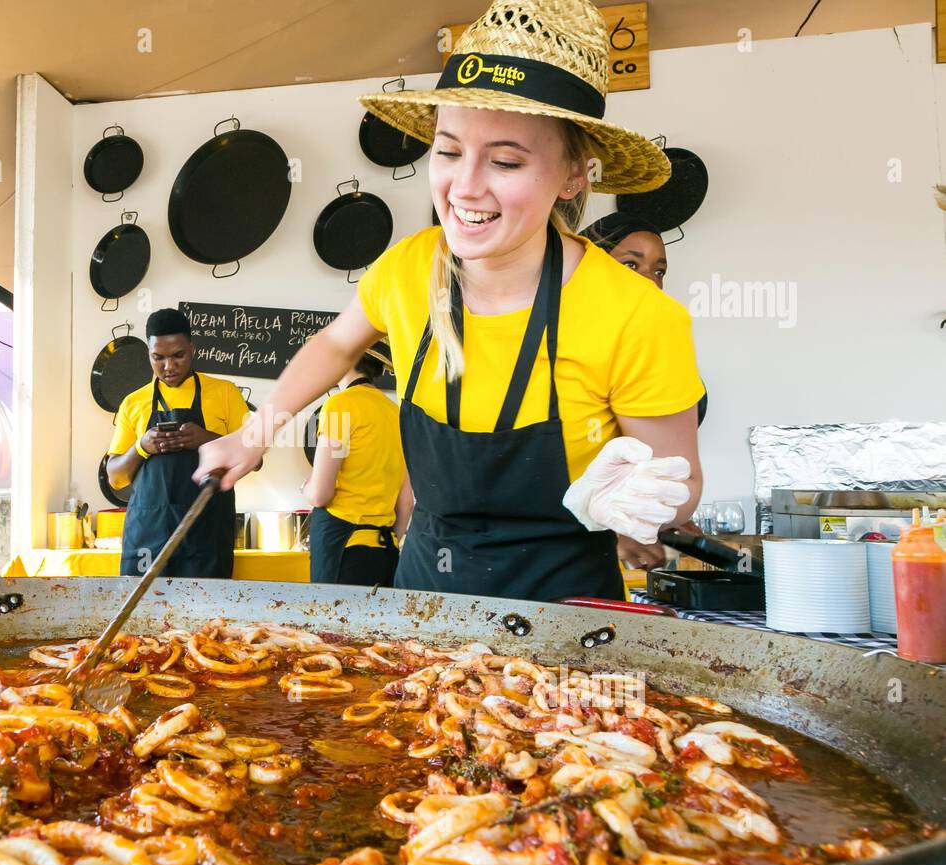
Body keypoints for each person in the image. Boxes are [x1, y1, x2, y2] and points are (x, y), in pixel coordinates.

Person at [197, 0, 703, 602]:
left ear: (573, 177)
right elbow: (336, 343)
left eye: (506, 160)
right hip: (428, 606)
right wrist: (257, 432)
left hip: (567, 615)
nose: (464, 188)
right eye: (448, 150)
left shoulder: (636, 316)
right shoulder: (411, 267)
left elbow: (681, 481)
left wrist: (635, 501)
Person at [583, 211, 709, 571]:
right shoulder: (561, 352)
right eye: (630, 266)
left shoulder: (659, 344)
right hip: (584, 549)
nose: (650, 283)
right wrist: (624, 526)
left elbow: (670, 467)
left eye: (659, 271)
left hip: (637, 556)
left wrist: (666, 517)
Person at [106, 307, 249, 578]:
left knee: (205, 618)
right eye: (158, 358)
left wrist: (205, 439)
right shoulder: (133, 402)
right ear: (148, 354)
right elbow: (116, 477)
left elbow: (255, 459)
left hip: (206, 535)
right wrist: (141, 447)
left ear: (192, 348)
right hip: (148, 535)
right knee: (143, 615)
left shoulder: (224, 393)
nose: (168, 366)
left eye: (178, 355)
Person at [302, 345, 410, 586]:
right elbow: (406, 502)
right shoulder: (395, 413)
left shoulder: (340, 406)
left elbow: (320, 495)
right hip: (385, 549)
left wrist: (305, 488)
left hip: (342, 547)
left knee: (329, 623)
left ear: (348, 359)